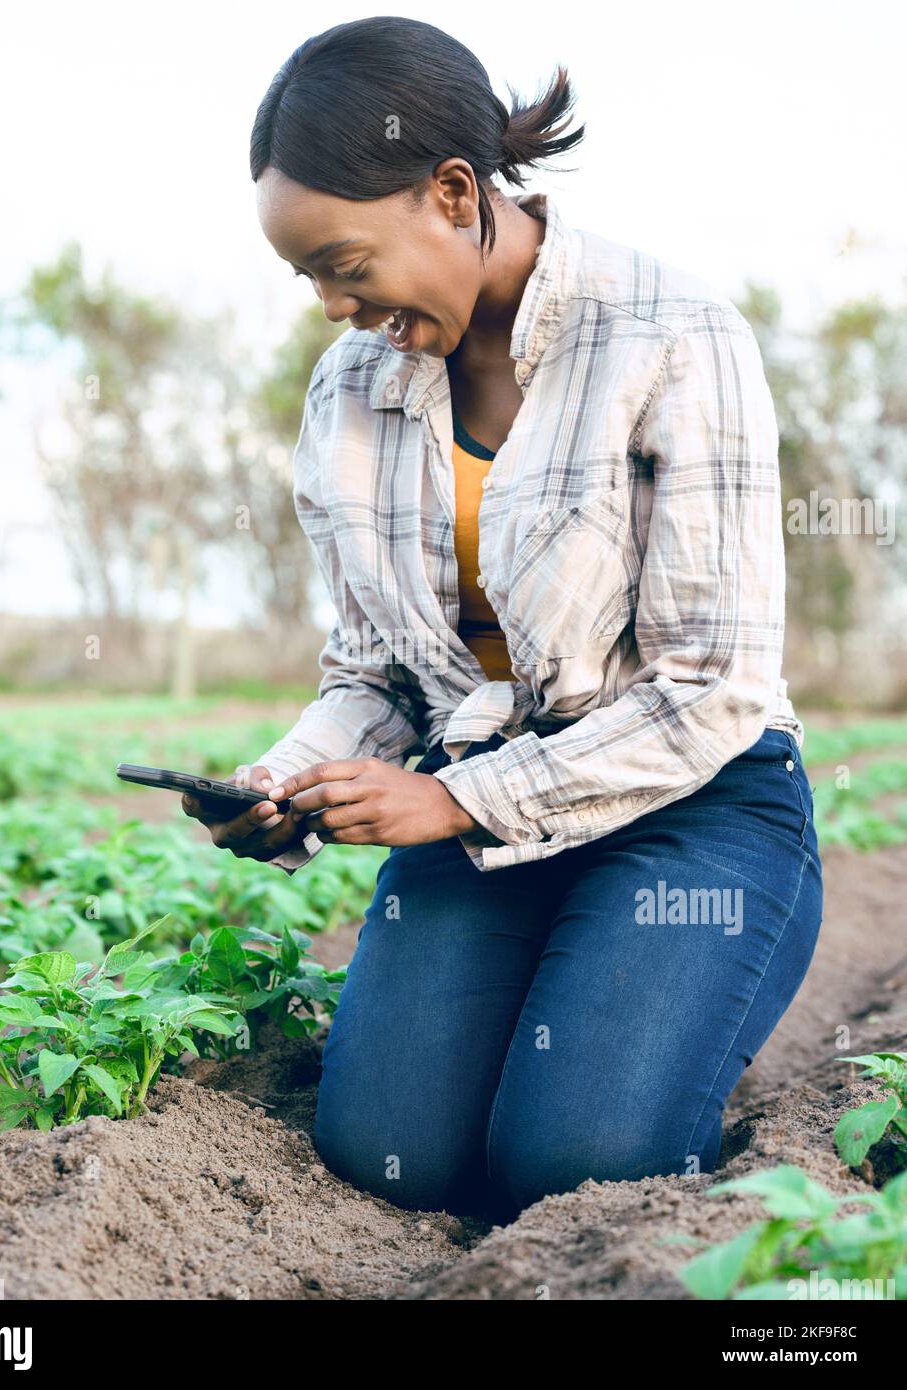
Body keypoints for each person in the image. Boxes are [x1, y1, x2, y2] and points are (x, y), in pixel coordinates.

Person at [183, 16, 823, 1220]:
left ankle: (660, 1011)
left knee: (573, 1163)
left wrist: (457, 800)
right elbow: (375, 671)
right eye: (307, 277)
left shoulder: (675, 337)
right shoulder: (353, 388)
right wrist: (286, 777)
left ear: (455, 192)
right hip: (475, 806)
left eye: (344, 262)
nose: (330, 305)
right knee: (394, 1153)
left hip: (692, 809)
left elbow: (713, 688)